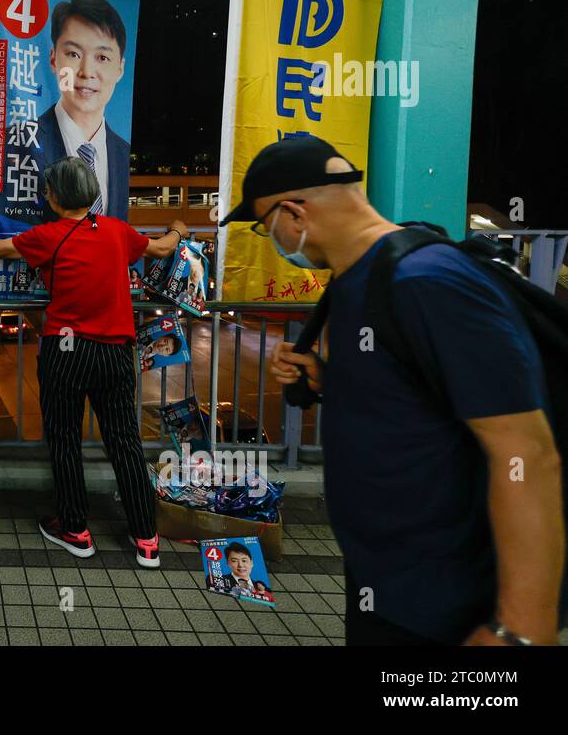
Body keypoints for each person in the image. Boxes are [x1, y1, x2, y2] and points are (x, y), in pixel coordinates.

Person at [224, 135, 564, 646]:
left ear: (293, 214)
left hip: (446, 601)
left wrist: (519, 629)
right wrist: (323, 377)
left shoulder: (426, 280)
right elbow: (406, 393)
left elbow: (526, 452)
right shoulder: (357, 278)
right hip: (387, 583)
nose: (270, 237)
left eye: (263, 224)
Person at [0, 157, 187, 565]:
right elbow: (161, 248)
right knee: (124, 440)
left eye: (48, 190)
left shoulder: (47, 235)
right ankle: (146, 539)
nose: (46, 195)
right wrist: (177, 228)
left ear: (57, 197)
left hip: (66, 351)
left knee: (65, 438)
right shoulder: (117, 231)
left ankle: (76, 531)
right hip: (115, 352)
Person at [0, 0, 132, 229]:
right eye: (73, 54)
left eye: (102, 57)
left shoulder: (124, 154)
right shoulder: (8, 144)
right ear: (53, 59)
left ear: (120, 68)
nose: (86, 71)